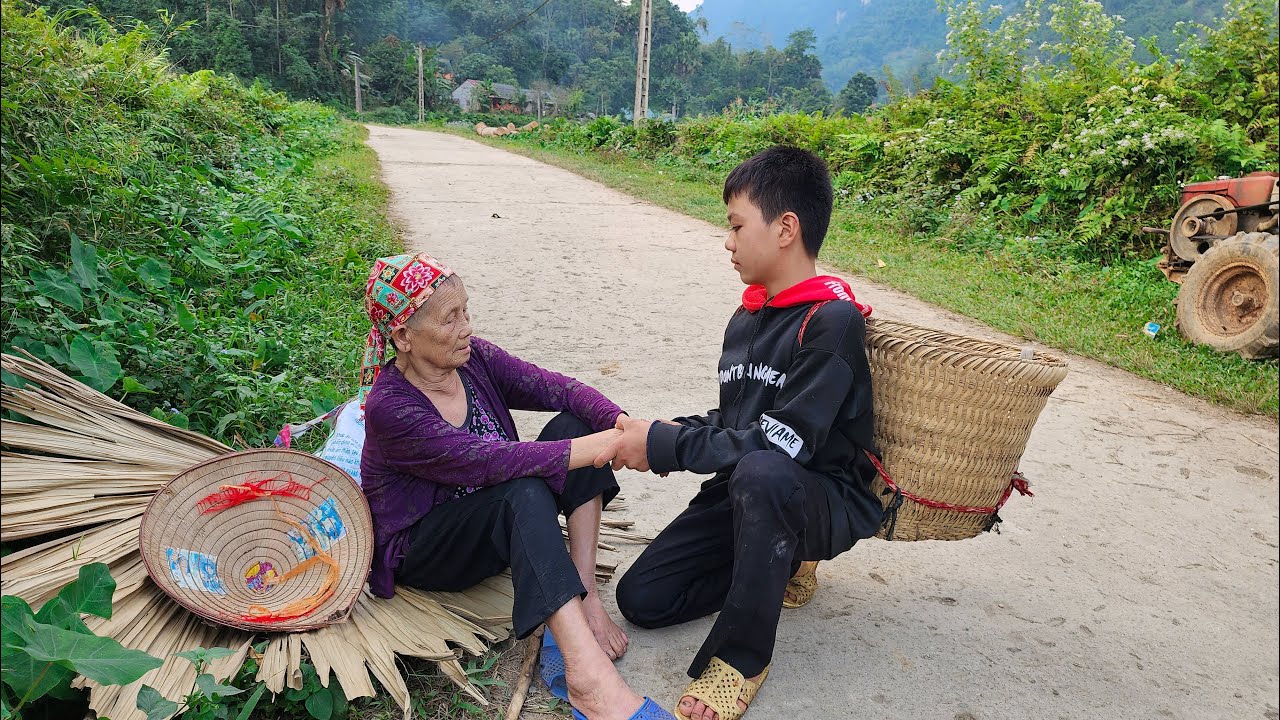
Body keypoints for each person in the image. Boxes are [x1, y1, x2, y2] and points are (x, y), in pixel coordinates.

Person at [599, 147, 885, 720]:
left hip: (815, 495)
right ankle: (774, 565)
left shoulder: (831, 321)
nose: (727, 242)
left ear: (785, 228)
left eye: (735, 225)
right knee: (643, 599)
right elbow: (735, 423)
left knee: (762, 468)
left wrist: (663, 449)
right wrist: (661, 430)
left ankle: (743, 657)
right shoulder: (746, 320)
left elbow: (783, 442)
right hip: (750, 491)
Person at [358, 252, 674, 720]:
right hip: (430, 547)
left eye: (465, 310)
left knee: (572, 424)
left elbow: (556, 388)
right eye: (450, 318)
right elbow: (488, 463)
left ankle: (583, 594)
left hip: (496, 517)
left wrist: (622, 424)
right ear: (403, 336)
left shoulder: (474, 359)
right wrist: (601, 446)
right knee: (524, 486)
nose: (466, 326)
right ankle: (588, 681)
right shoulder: (392, 406)